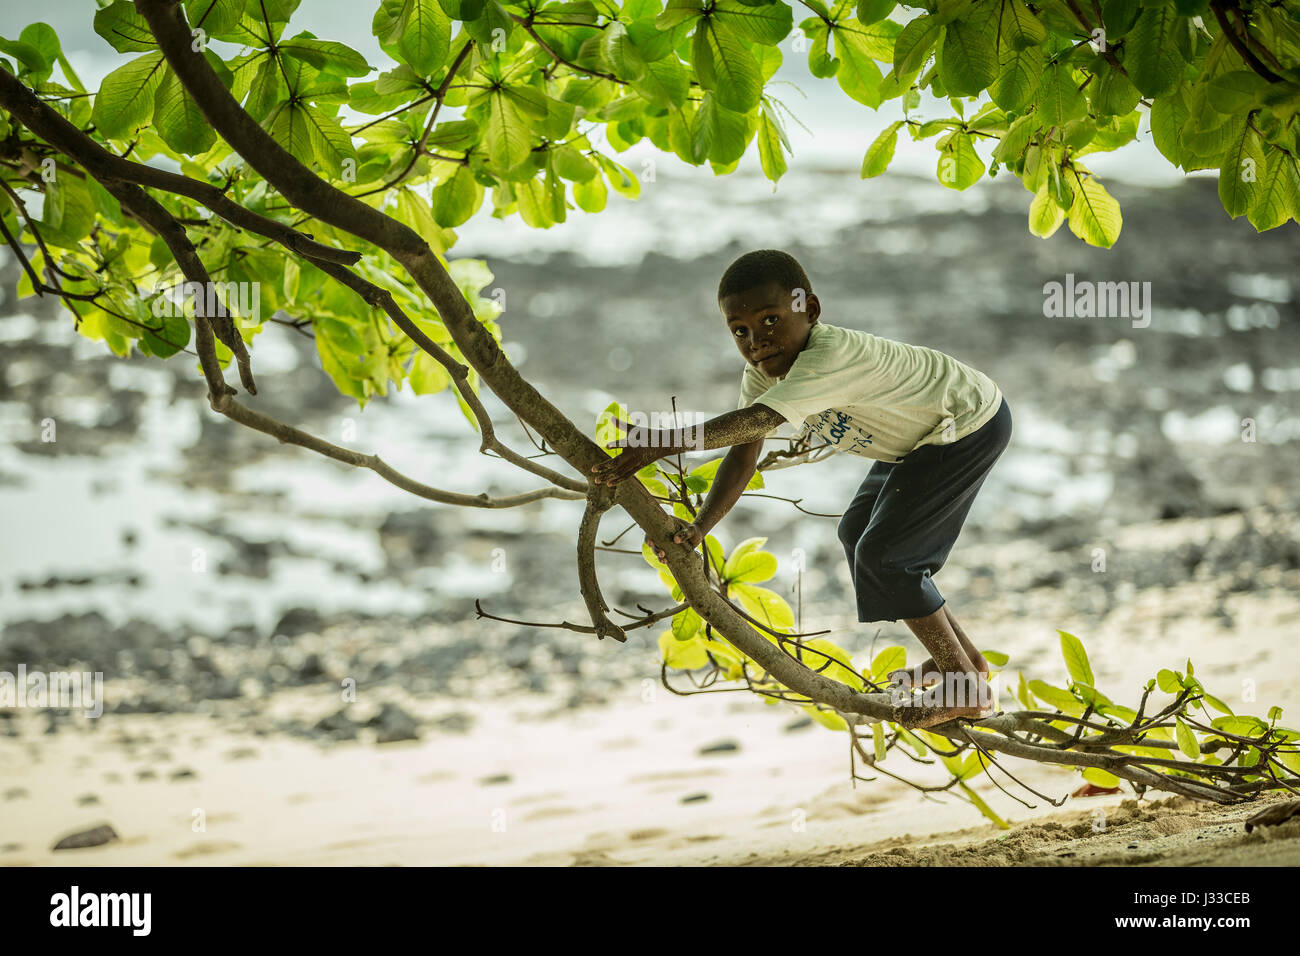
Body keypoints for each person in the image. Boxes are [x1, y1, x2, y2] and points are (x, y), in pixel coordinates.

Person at [590, 249, 1012, 728]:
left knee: (888, 556)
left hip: (967, 421)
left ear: (809, 310)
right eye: (740, 331)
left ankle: (965, 684)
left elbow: (754, 421)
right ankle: (965, 664)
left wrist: (660, 444)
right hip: (920, 437)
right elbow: (745, 451)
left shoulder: (828, 355)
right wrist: (700, 527)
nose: (757, 342)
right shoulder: (761, 375)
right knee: (857, 532)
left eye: (771, 320)